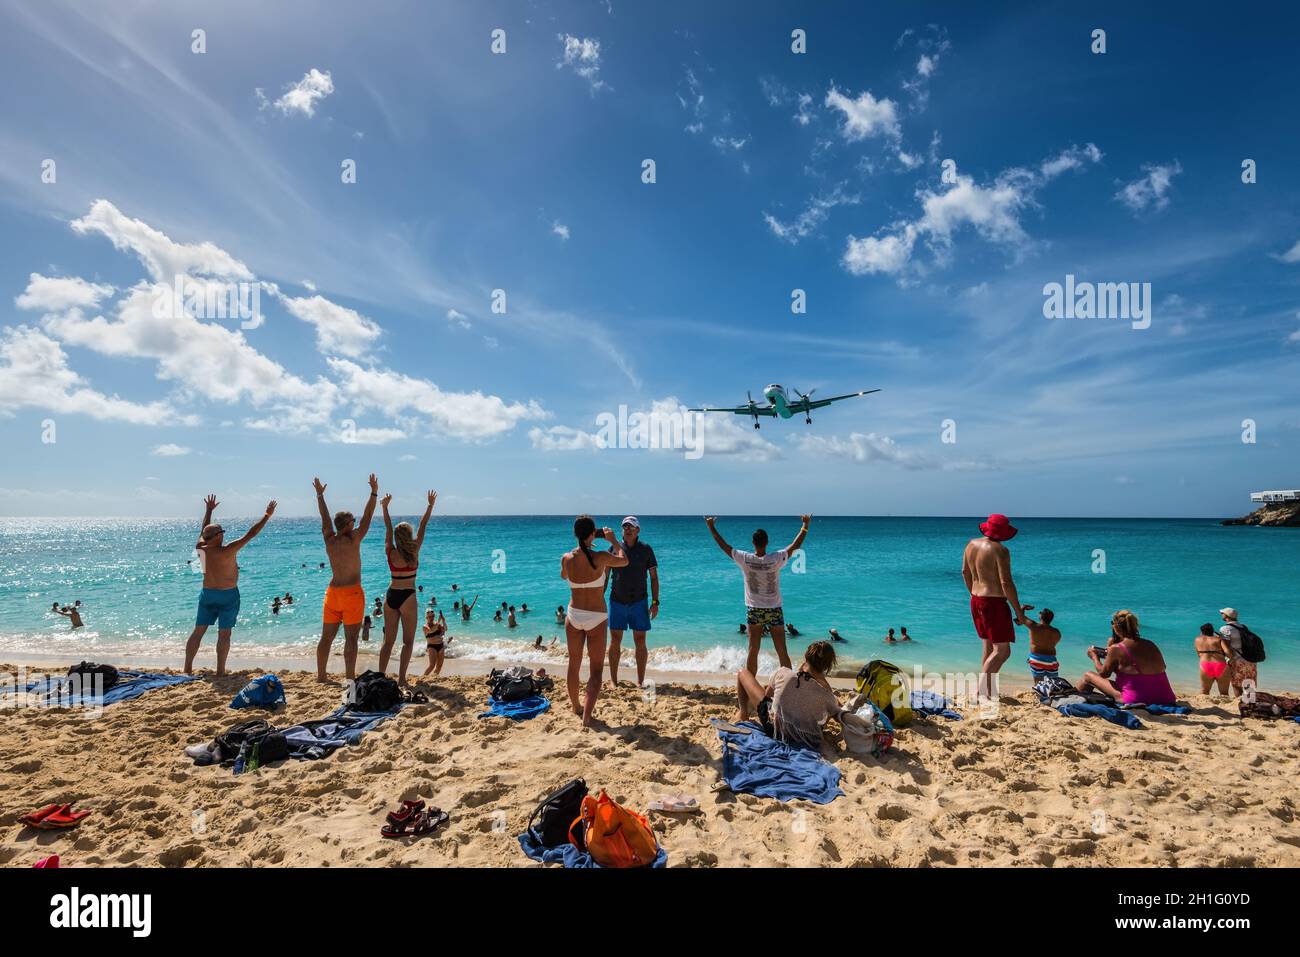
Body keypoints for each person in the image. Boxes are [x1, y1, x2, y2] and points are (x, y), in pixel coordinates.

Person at [705, 515, 810, 677]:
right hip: (774, 609)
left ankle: (750, 683)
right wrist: (805, 525)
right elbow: (796, 545)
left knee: (753, 650)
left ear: (753, 543)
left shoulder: (745, 558)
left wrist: (711, 527)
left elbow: (724, 546)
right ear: (767, 543)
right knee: (782, 650)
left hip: (754, 610)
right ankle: (788, 684)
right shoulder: (776, 558)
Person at [184, 494, 276, 676]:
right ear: (217, 536)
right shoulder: (228, 550)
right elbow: (251, 534)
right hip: (228, 595)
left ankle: (187, 668)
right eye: (222, 532)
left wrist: (208, 511)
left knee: (198, 631)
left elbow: (204, 532)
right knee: (224, 634)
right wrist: (267, 515)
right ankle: (220, 671)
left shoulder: (200, 549)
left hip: (207, 594)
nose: (223, 534)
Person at [560, 515, 627, 727]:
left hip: (574, 615)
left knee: (574, 664)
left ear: (575, 534)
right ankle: (587, 716)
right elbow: (624, 560)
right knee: (596, 669)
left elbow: (564, 576)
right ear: (592, 534)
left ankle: (576, 706)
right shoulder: (601, 557)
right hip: (596, 617)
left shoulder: (566, 558)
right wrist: (614, 541)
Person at [313, 475, 378, 683]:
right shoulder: (354, 538)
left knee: (326, 637)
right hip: (351, 593)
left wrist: (320, 495)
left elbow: (325, 518)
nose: (356, 522)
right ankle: (349, 678)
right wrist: (374, 493)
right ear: (348, 524)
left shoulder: (329, 539)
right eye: (353, 521)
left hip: (332, 593)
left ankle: (321, 676)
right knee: (351, 639)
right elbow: (368, 516)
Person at [962, 513, 1026, 701]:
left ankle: (988, 691)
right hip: (994, 603)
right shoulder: (1000, 550)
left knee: (989, 647)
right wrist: (1018, 612)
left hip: (976, 599)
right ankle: (981, 691)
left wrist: (973, 593)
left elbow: (965, 572)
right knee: (1003, 651)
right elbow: (1006, 583)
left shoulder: (971, 544)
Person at [734, 640, 842, 751]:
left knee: (742, 672)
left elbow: (767, 696)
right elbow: (833, 714)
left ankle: (743, 715)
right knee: (832, 705)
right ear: (827, 666)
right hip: (806, 738)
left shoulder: (783, 673)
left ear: (806, 657)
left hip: (775, 730)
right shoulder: (827, 695)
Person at [377, 490, 437, 685]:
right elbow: (423, 525)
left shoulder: (390, 551)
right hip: (408, 596)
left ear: (396, 537)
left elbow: (387, 527)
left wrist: (384, 507)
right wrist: (430, 505)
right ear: (409, 536)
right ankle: (402, 679)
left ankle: (380, 677)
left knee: (388, 642)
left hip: (391, 594)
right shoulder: (414, 550)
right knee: (408, 642)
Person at [1076, 610, 1176, 706]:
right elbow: (1163, 667)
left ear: (1116, 627)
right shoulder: (1151, 644)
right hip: (1166, 698)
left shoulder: (1116, 649)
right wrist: (1113, 656)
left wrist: (1094, 657)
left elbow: (1104, 674)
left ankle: (1074, 699)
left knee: (1088, 676)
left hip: (1136, 699)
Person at [607, 516, 659, 689]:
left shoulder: (646, 549)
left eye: (631, 527)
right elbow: (605, 576)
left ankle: (641, 680)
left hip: (639, 601)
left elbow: (654, 578)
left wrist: (655, 602)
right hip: (617, 601)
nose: (628, 529)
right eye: (625, 527)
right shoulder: (614, 548)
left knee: (640, 640)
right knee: (615, 640)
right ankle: (613, 680)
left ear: (638, 530)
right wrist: (599, 597)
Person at [1218, 608, 1258, 699]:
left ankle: (1240, 701)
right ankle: (1250, 702)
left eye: (1222, 613)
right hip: (1250, 658)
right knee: (1249, 682)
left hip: (1237, 659)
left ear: (1226, 616)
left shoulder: (1225, 629)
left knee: (1237, 683)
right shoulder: (1243, 627)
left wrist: (1228, 658)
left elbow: (1226, 647)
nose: (1221, 614)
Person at [1022, 606, 1061, 680]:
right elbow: (1054, 644)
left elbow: (1021, 618)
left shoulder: (1034, 626)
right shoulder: (1057, 632)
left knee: (1038, 683)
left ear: (1040, 617)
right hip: (1051, 661)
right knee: (1053, 683)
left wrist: (1023, 608)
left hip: (1037, 660)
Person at [1195, 622, 1231, 695]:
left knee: (1204, 691)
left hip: (1205, 665)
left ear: (1202, 632)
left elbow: (1199, 654)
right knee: (1224, 693)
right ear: (1212, 631)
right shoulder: (1218, 639)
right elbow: (1227, 652)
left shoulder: (1197, 640)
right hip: (1221, 665)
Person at [422, 609, 448, 677]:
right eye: (429, 617)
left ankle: (434, 677)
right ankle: (423, 678)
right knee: (432, 665)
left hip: (440, 645)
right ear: (426, 617)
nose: (431, 618)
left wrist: (443, 620)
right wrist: (439, 621)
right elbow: (431, 630)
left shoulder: (437, 624)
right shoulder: (425, 626)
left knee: (439, 666)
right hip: (432, 646)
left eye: (432, 616)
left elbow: (445, 629)